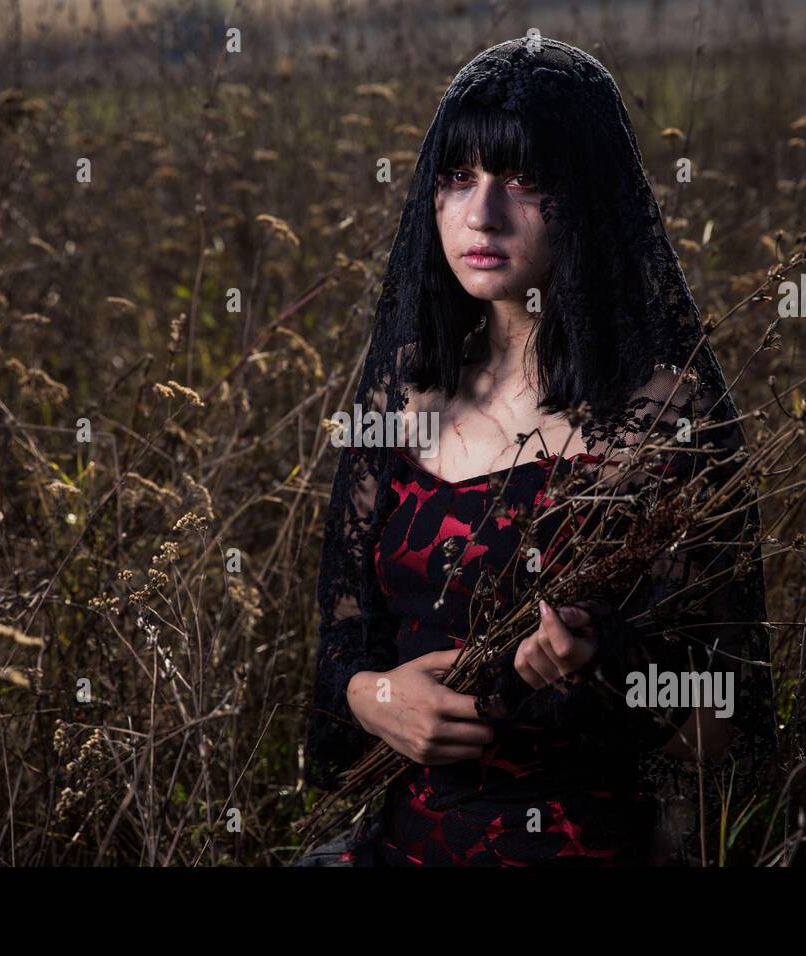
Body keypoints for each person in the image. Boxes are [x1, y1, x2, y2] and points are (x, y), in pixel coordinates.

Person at [296, 36, 776, 867]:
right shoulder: (401, 392)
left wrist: (602, 666)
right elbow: (345, 650)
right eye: (457, 178)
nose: (481, 214)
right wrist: (378, 701)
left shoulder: (662, 415)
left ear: (584, 199)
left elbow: (721, 727)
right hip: (401, 844)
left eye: (523, 181)